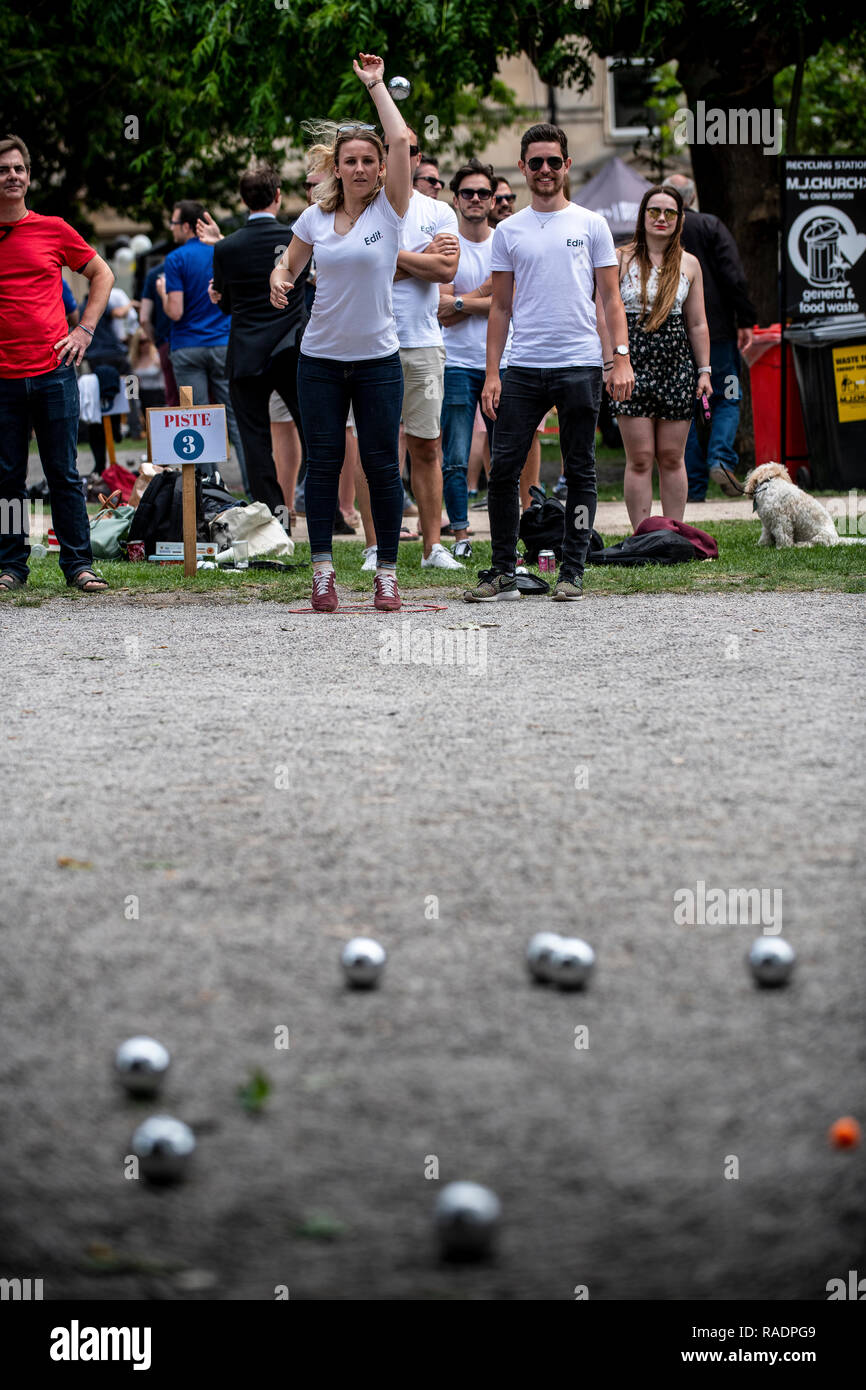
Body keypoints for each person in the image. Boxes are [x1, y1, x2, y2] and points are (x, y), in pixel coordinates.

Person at [465, 123, 634, 602]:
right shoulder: (509, 231)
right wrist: (492, 373)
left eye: (553, 162)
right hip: (521, 366)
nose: (544, 170)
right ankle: (501, 568)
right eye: (535, 162)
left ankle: (572, 570)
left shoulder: (591, 224)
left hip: (580, 363)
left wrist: (618, 358)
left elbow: (611, 300)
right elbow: (499, 308)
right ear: (522, 168)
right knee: (503, 471)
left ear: (566, 165)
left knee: (580, 470)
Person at [270, 52, 412, 613]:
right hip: (321, 361)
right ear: (337, 168)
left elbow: (399, 140)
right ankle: (323, 570)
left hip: (378, 359)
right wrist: (281, 278)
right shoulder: (313, 220)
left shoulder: (390, 212)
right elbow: (289, 263)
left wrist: (376, 88)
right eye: (349, 161)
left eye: (367, 161)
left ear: (379, 169)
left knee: (381, 463)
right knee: (324, 464)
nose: (358, 169)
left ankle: (387, 573)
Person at [0, 134, 114, 594]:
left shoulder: (52, 228)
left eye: (18, 169)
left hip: (52, 371)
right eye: (3, 169)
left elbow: (101, 273)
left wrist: (83, 330)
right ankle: (10, 566)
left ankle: (79, 565)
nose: (11, 176)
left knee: (63, 471)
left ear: (29, 176)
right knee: (7, 477)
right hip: (3, 377)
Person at [207, 164, 310, 523]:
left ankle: (275, 515)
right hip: (289, 349)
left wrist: (217, 297)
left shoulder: (226, 247)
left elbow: (227, 303)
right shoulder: (297, 237)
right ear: (278, 196)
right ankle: (322, 503)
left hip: (247, 353)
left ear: (241, 199)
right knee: (312, 428)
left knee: (254, 439)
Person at [609, 185, 712, 531]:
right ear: (643, 216)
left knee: (672, 456)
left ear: (680, 218)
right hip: (631, 361)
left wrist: (704, 371)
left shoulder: (689, 264)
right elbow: (605, 312)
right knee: (639, 458)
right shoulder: (621, 258)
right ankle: (642, 534)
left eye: (670, 212)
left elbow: (697, 322)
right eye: (654, 211)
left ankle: (674, 533)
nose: (662, 218)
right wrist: (611, 362)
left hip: (676, 364)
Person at [388, 123, 462, 572]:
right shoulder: (361, 207)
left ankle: (433, 546)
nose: (404, 155)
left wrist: (389, 257)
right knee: (372, 448)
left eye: (411, 149)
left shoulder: (437, 210)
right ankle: (378, 546)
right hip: (370, 342)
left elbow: (445, 270)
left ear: (418, 157)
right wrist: (421, 256)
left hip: (422, 342)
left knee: (427, 446)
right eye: (395, 148)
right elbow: (355, 274)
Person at [666, 173, 757, 500]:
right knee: (728, 396)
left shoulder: (661, 231)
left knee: (683, 408)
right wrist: (745, 318)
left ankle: (692, 485)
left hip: (675, 335)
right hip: (716, 333)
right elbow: (733, 274)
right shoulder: (710, 226)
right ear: (690, 198)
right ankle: (720, 456)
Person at [438, 158, 508, 560]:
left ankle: (504, 533)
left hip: (503, 359)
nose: (478, 199)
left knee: (505, 457)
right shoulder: (448, 244)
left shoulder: (505, 239)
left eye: (485, 193)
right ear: (456, 198)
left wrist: (464, 300)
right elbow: (439, 307)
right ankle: (461, 535)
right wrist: (485, 296)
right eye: (469, 193)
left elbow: (509, 302)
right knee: (456, 456)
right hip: (457, 361)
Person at [158, 199, 249, 490]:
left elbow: (175, 311)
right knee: (235, 417)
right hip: (223, 344)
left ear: (187, 226)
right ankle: (252, 486)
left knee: (197, 418)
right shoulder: (221, 251)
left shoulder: (175, 259)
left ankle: (209, 487)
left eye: (173, 223)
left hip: (187, 347)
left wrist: (162, 292)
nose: (171, 229)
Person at [139, 259, 179, 406]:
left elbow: (143, 318)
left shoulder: (154, 275)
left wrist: (156, 342)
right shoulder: (195, 266)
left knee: (174, 397)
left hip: (167, 341)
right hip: (200, 339)